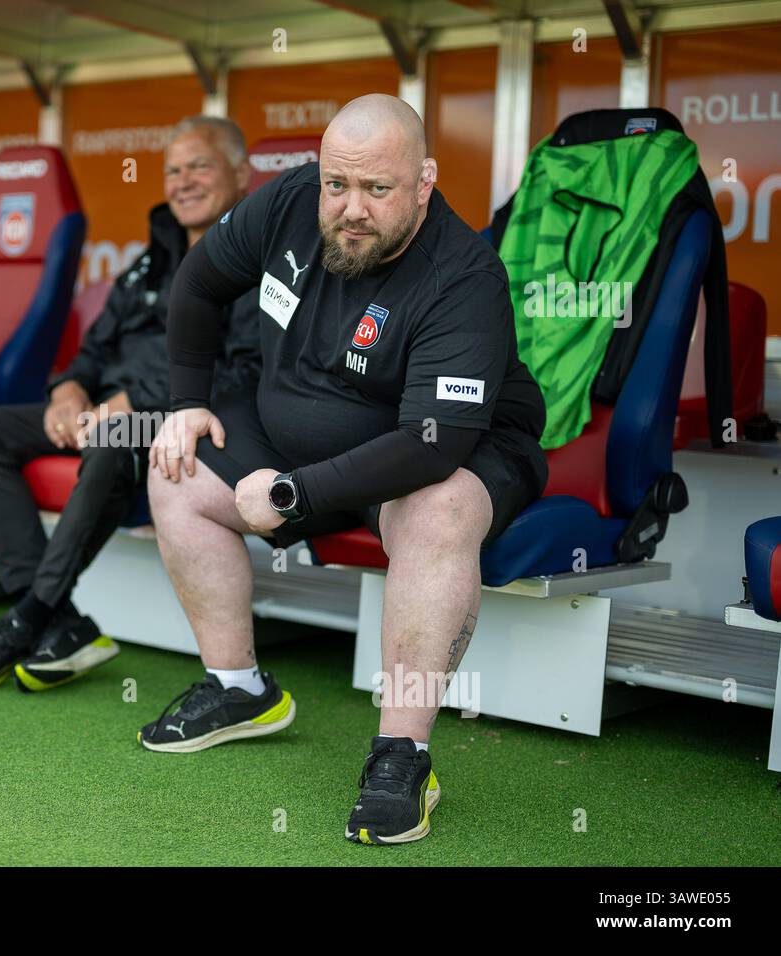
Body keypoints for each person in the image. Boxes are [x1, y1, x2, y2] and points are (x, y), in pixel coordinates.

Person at [143, 94, 548, 846]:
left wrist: (295, 494)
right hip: (300, 437)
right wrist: (187, 403)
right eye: (339, 185)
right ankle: (238, 689)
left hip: (438, 451)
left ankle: (403, 753)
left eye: (377, 189)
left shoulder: (465, 277)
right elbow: (197, 282)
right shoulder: (295, 198)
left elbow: (433, 444)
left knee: (442, 508)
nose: (350, 208)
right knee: (176, 466)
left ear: (424, 182)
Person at [0, 116, 262, 695]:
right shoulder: (148, 259)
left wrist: (128, 403)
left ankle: (30, 615)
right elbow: (92, 348)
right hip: (106, 412)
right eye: (174, 170)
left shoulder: (255, 261)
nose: (183, 181)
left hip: (187, 422)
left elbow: (240, 374)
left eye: (200, 166)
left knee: (113, 441)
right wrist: (69, 393)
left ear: (240, 175)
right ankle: (62, 625)